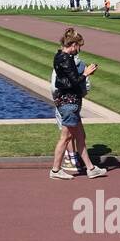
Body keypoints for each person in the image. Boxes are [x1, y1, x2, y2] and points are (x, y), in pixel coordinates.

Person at [49, 28, 106, 180]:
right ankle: (55, 170)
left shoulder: (59, 56)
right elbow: (74, 81)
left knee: (81, 136)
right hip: (69, 103)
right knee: (66, 138)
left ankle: (91, 168)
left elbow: (65, 80)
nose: (79, 50)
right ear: (73, 44)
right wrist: (86, 73)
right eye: (78, 46)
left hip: (68, 102)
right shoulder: (66, 59)